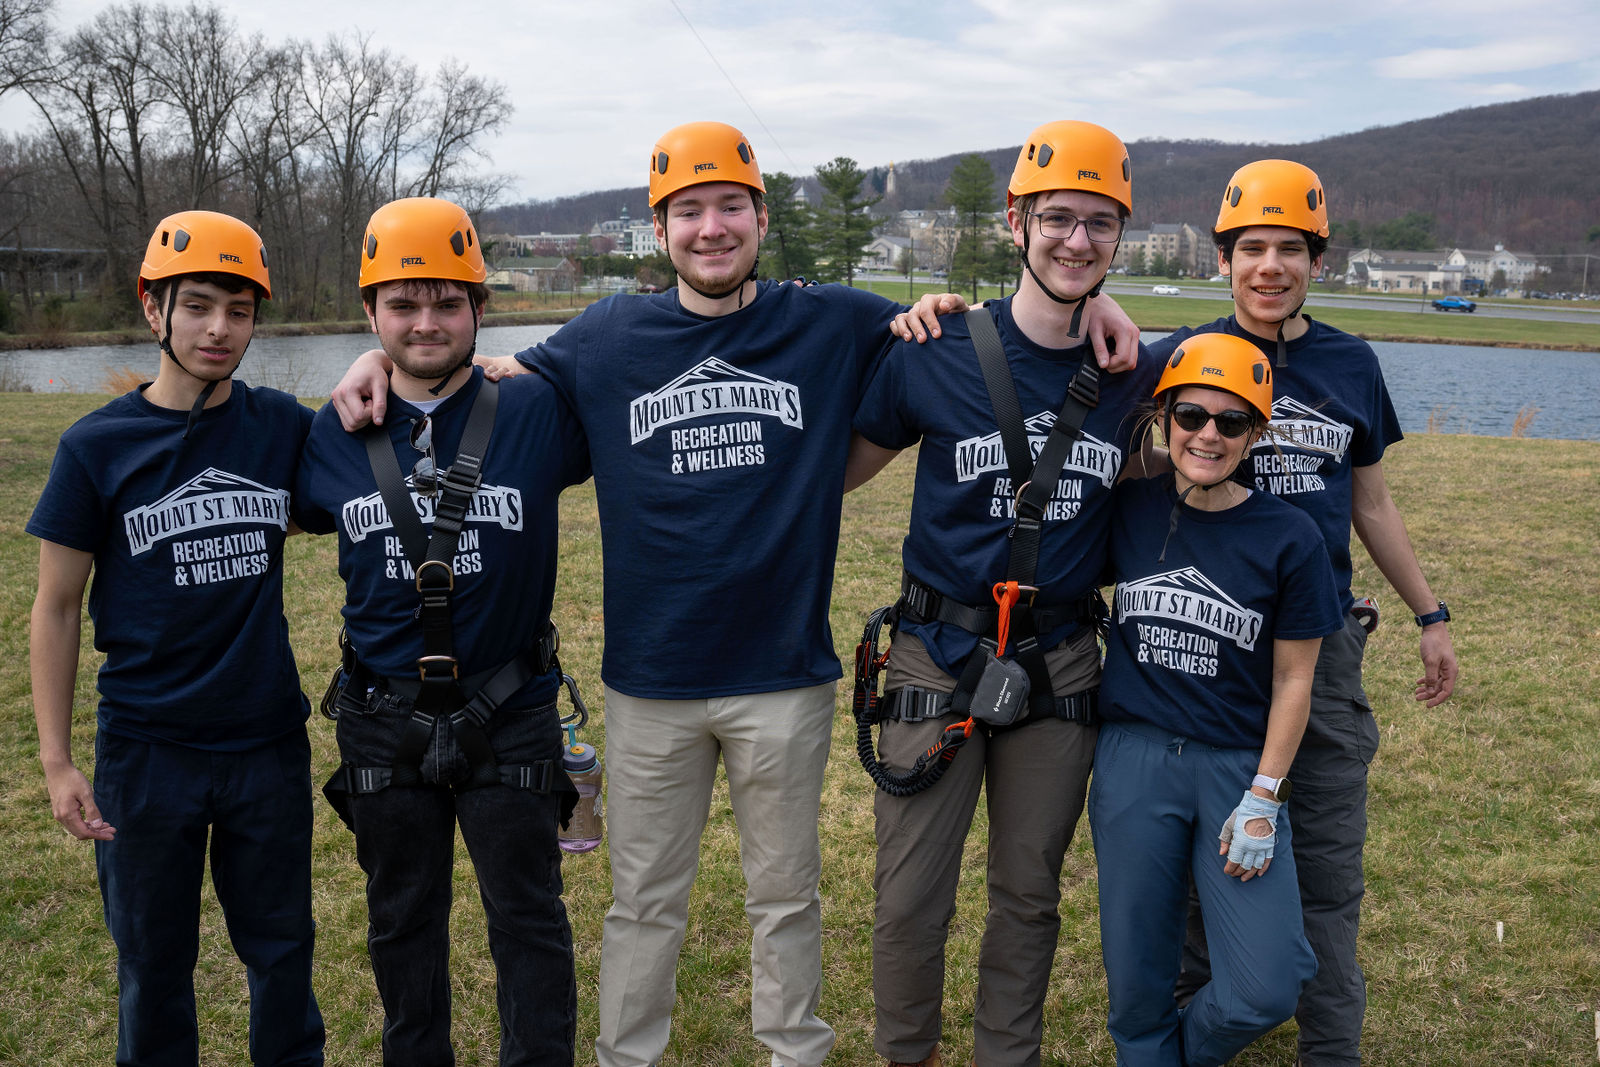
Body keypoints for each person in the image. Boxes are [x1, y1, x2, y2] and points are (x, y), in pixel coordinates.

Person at [328, 121, 1139, 1067]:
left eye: (731, 207)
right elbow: (459, 373)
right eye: (688, 211)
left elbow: (1009, 313)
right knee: (643, 899)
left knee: (787, 895)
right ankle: (629, 1055)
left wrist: (1103, 297)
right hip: (648, 676)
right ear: (659, 227)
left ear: (761, 217)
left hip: (782, 670)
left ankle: (793, 1051)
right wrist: (373, 359)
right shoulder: (602, 335)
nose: (711, 229)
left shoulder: (832, 319)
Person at [845, 120, 1158, 1067]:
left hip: (1060, 660)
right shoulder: (933, 347)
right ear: (1016, 222)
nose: (1077, 241)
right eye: (1058, 218)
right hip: (935, 653)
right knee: (909, 897)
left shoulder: (1134, 370)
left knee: (1029, 892)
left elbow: (1251, 370)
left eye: (1100, 225)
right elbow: (830, 478)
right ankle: (908, 1054)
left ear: (1119, 239)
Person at [1152, 159, 1460, 1066]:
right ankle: (1189, 1035)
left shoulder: (1349, 363)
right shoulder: (1186, 356)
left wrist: (1429, 612)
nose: (1270, 266)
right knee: (1200, 872)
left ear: (1316, 261)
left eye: (1291, 248)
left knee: (1325, 866)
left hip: (1319, 646)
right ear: (1224, 259)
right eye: (1252, 248)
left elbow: (1370, 504)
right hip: (1208, 640)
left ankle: (1331, 1050)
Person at [294, 197, 588, 1065]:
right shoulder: (331, 430)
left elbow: (649, 354)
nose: (426, 323)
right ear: (369, 314)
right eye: (402, 304)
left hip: (513, 705)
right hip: (382, 714)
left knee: (529, 918)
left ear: (480, 310)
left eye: (448, 302)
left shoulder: (539, 410)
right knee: (402, 921)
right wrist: (360, 368)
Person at [28, 210, 324, 1065]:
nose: (218, 328)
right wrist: (56, 760)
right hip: (147, 751)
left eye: (239, 309)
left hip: (266, 742)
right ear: (153, 306)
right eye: (196, 305)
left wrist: (379, 359)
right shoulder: (95, 448)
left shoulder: (281, 428)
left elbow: (365, 443)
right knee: (153, 965)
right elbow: (56, 605)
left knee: (282, 951)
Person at [1090, 331, 1341, 1065]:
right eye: (1192, 415)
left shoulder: (1289, 534)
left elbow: (1296, 678)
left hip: (1237, 768)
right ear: (1164, 418)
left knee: (1268, 983)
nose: (1208, 434)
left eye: (1232, 422)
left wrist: (1265, 794)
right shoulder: (1127, 506)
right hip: (1134, 758)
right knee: (1137, 973)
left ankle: (1178, 1053)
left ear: (1255, 433)